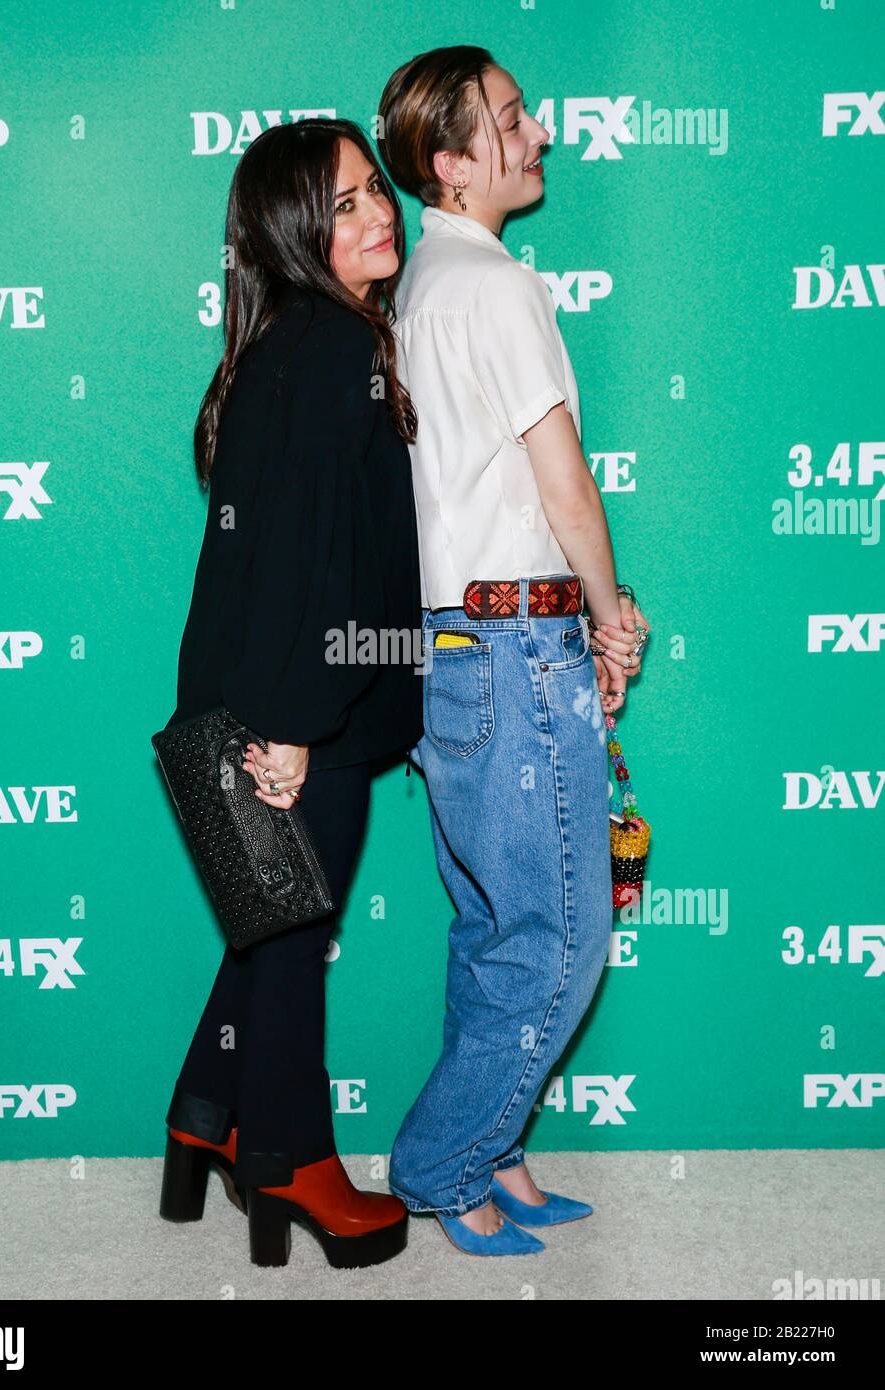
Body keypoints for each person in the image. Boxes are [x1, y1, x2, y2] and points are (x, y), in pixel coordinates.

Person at [377, 46, 651, 1255]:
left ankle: (493, 1151)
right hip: (517, 638)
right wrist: (610, 613)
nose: (536, 130)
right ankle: (440, 1163)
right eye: (507, 118)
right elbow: (564, 484)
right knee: (557, 936)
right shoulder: (493, 286)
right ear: (450, 163)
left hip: (461, 651)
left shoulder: (427, 283)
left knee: (497, 928)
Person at [155, 117, 425, 1269]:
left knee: (270, 923)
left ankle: (203, 1117)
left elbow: (268, 554)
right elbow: (316, 559)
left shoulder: (279, 346)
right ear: (291, 233)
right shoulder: (330, 347)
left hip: (253, 700)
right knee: (291, 934)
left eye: (375, 193)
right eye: (346, 205)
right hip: (302, 709)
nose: (377, 218)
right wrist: (299, 727)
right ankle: (292, 1161)